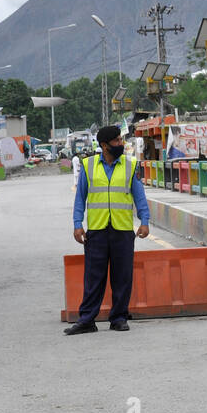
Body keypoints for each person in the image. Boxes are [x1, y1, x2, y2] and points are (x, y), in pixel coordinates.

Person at [63, 125, 150, 335]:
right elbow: (80, 199)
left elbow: (139, 196)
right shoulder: (88, 165)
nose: (121, 144)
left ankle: (118, 318)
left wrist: (144, 221)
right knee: (94, 278)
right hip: (97, 230)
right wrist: (77, 225)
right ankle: (87, 320)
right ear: (104, 145)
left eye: (121, 140)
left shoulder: (130, 166)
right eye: (117, 141)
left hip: (122, 230)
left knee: (122, 276)